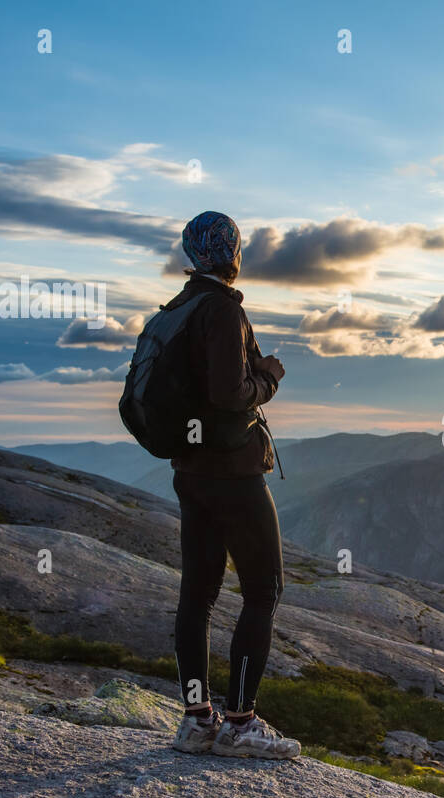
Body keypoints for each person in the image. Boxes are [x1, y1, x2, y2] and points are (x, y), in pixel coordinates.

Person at [167, 210, 300, 760]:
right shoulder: (221, 310)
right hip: (232, 473)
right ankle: (242, 723)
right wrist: (268, 376)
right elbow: (229, 393)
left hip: (190, 471)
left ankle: (198, 720)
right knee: (263, 590)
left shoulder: (179, 309)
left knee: (197, 594)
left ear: (192, 255)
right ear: (233, 253)